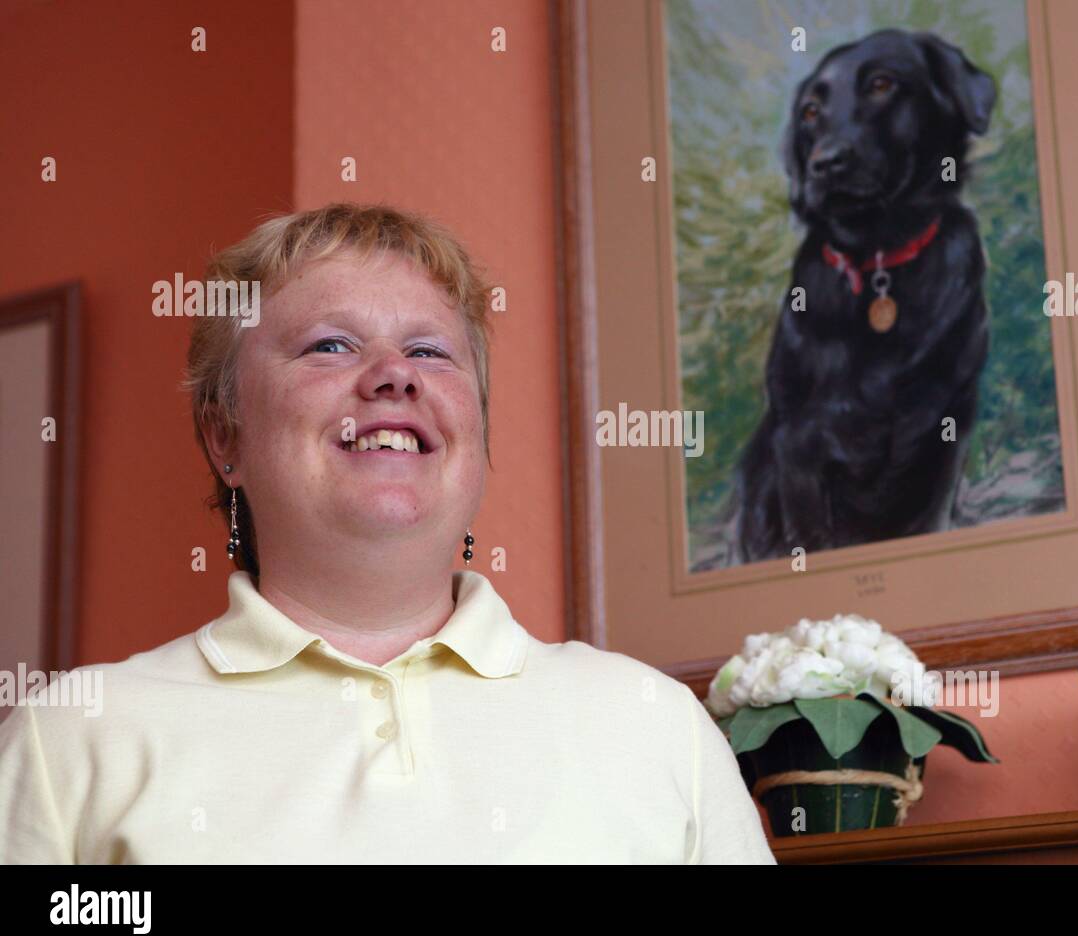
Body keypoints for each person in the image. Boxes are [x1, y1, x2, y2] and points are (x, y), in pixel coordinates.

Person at [0, 203, 776, 864]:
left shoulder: (656, 723)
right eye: (329, 345)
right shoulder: (70, 740)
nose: (393, 375)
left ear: (477, 429)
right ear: (225, 435)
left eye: (430, 351)